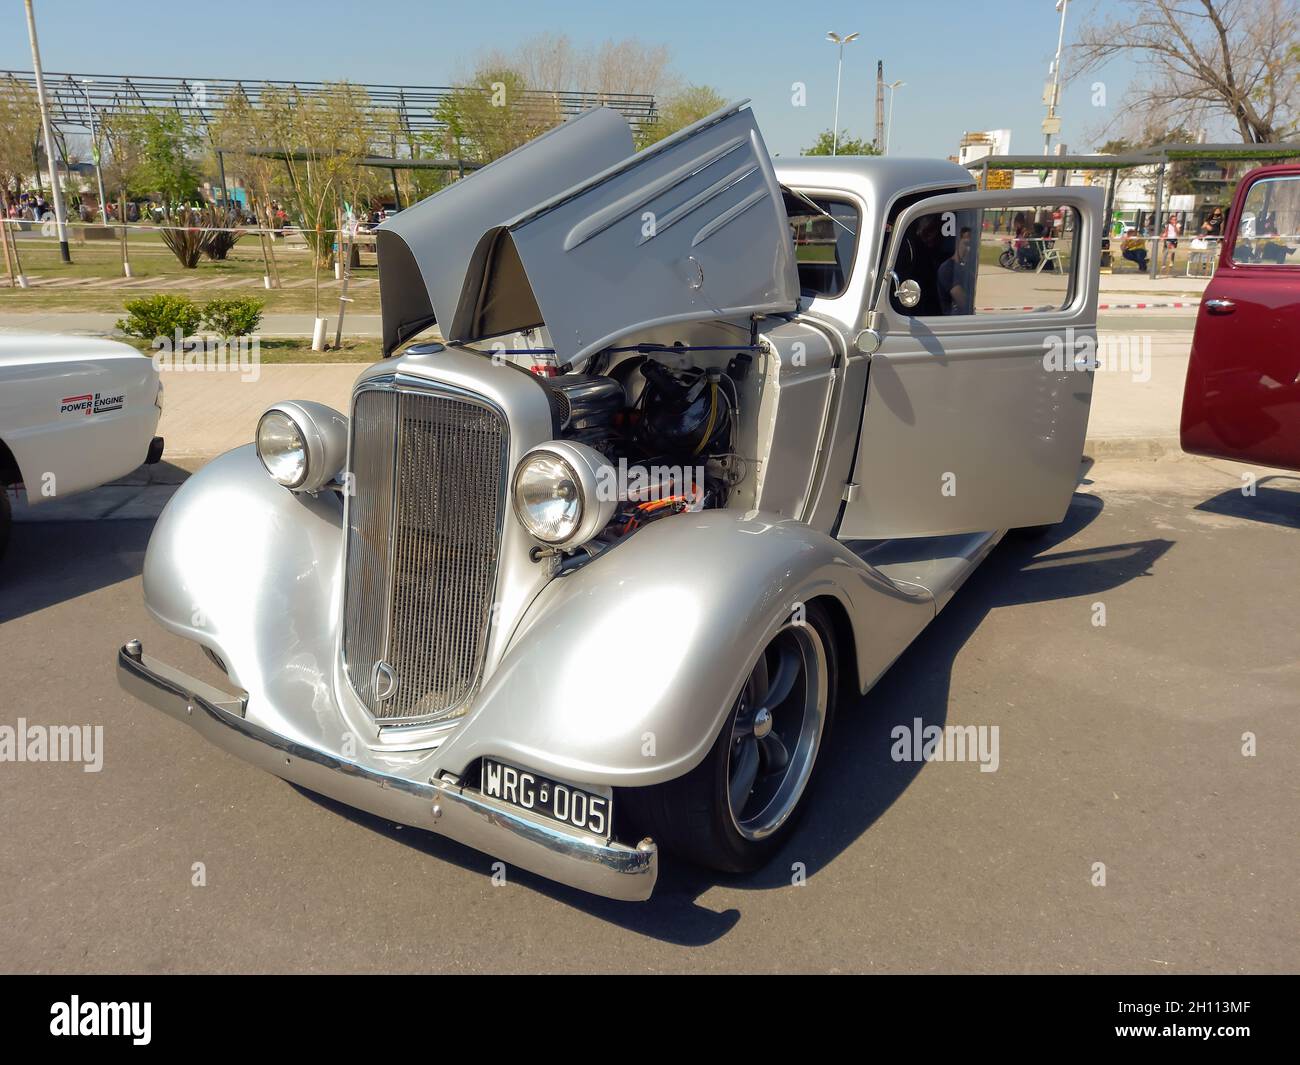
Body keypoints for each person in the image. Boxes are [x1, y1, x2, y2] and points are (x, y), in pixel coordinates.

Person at [937, 226, 975, 315]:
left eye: (971, 245)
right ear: (957, 243)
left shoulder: (965, 268)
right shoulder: (947, 269)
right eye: (966, 244)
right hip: (953, 321)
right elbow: (964, 302)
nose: (969, 249)